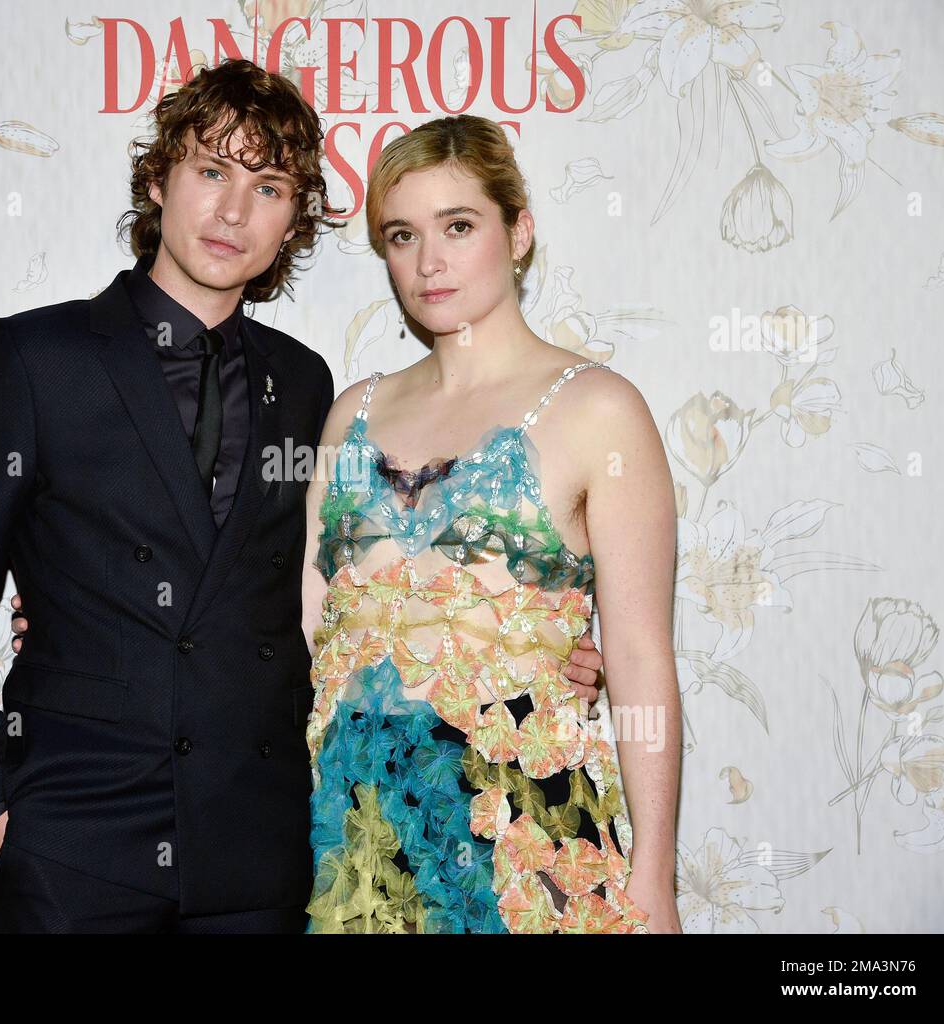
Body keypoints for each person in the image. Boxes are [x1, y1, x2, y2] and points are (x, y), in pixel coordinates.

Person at [0, 63, 606, 933]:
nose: (234, 211)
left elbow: (318, 597)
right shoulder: (35, 359)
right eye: (211, 172)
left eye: (267, 186)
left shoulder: (307, 387)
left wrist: (526, 644)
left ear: (293, 220)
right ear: (158, 180)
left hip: (262, 852)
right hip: (76, 845)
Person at [297, 114, 682, 933]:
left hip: (526, 843)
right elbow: (307, 628)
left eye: (458, 226)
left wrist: (654, 881)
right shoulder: (349, 414)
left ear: (520, 232)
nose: (429, 261)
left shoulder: (599, 410)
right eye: (402, 235)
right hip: (355, 844)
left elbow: (642, 656)